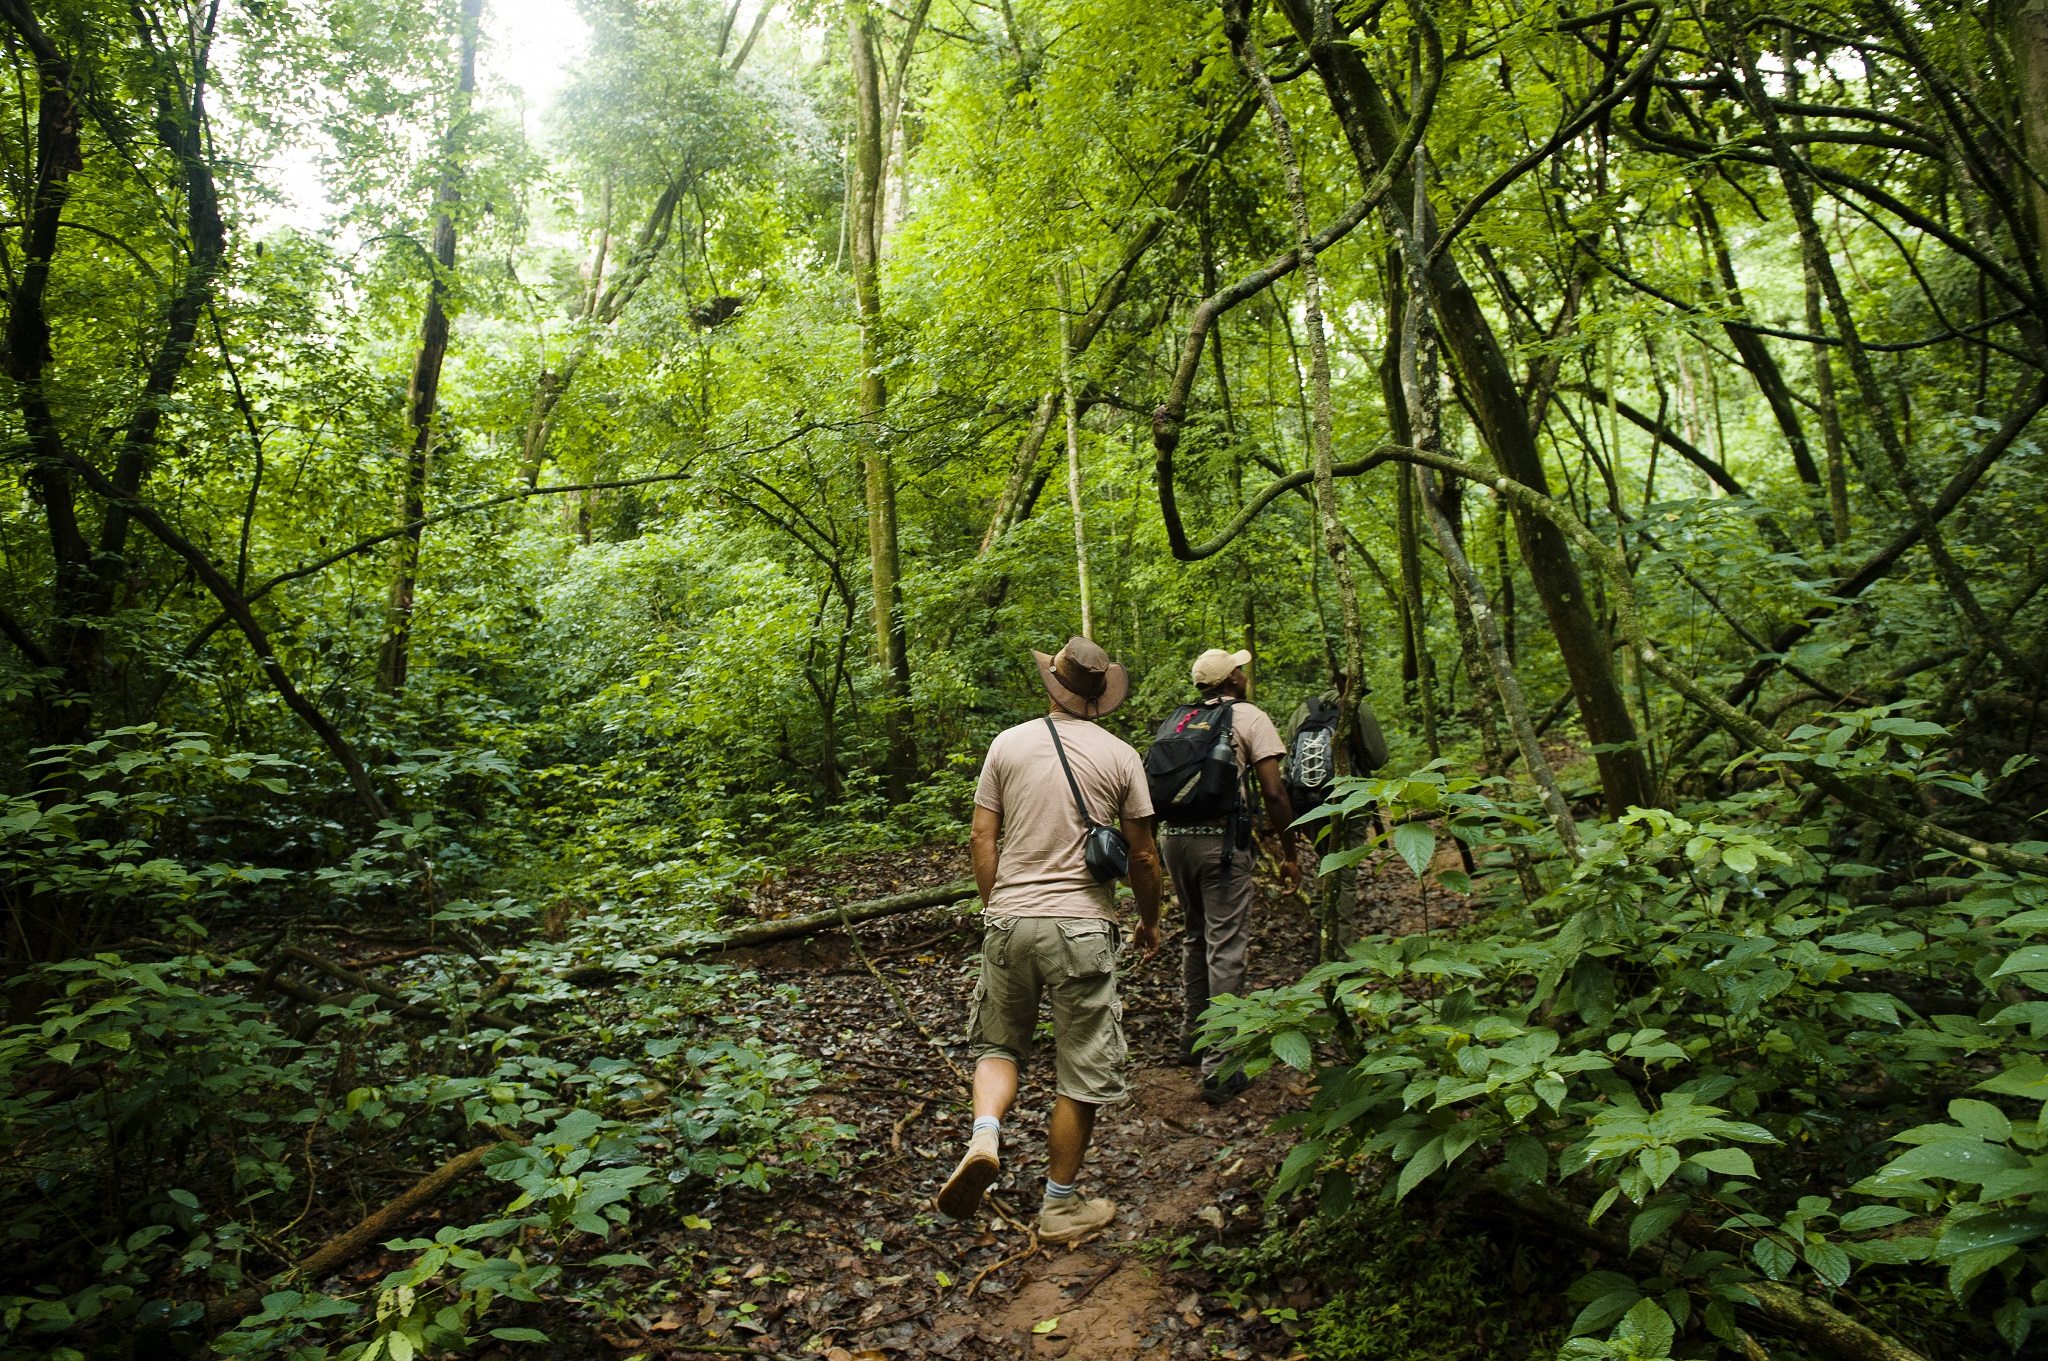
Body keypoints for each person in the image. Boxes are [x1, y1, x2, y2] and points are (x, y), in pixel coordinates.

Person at [936, 636, 1163, 1244]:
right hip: (1082, 926)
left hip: (1011, 920)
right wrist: (1149, 919)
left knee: (1000, 1045)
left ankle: (986, 1133)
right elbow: (1141, 853)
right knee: (1081, 1069)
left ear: (1053, 684)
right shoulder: (1121, 756)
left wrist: (997, 906)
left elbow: (983, 838)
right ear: (1099, 695)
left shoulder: (1007, 744)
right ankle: (1059, 1207)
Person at [1159, 647, 1300, 1100]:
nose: (1243, 672)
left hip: (1174, 842)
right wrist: (1290, 852)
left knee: (1195, 936)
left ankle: (1190, 1039)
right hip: (1219, 844)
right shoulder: (1249, 717)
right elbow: (1274, 793)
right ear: (1232, 680)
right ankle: (1221, 1066)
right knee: (1227, 946)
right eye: (1239, 668)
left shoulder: (1177, 720)